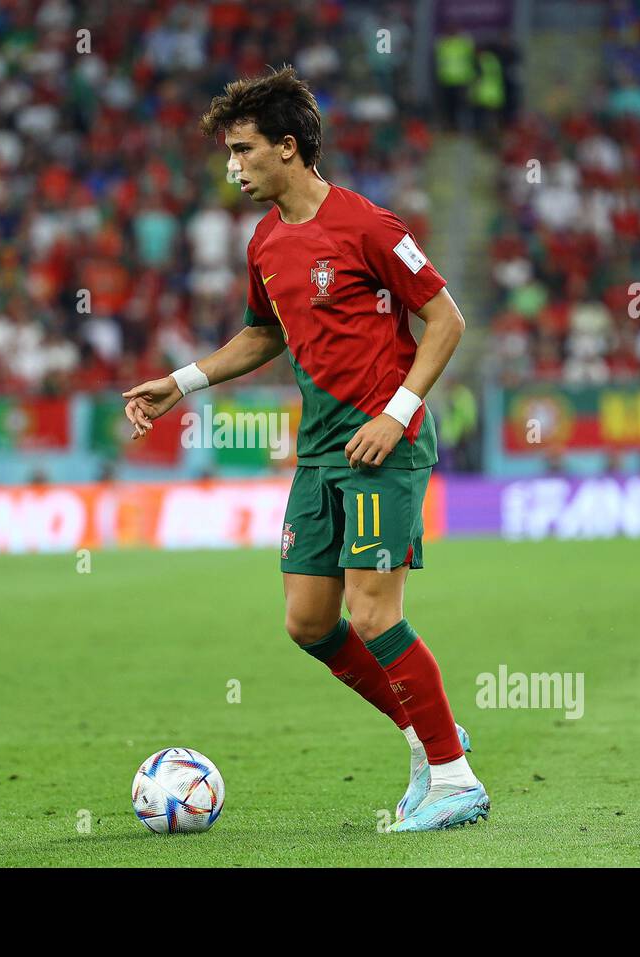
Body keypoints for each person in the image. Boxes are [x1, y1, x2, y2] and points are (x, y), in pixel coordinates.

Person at [121, 66, 487, 832]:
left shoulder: (370, 227)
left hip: (383, 444)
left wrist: (398, 411)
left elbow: (447, 319)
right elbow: (262, 334)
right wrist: (179, 382)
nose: (233, 167)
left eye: (244, 150)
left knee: (374, 611)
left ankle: (455, 777)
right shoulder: (264, 242)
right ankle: (428, 738)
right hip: (320, 450)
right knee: (311, 622)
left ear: (288, 148)